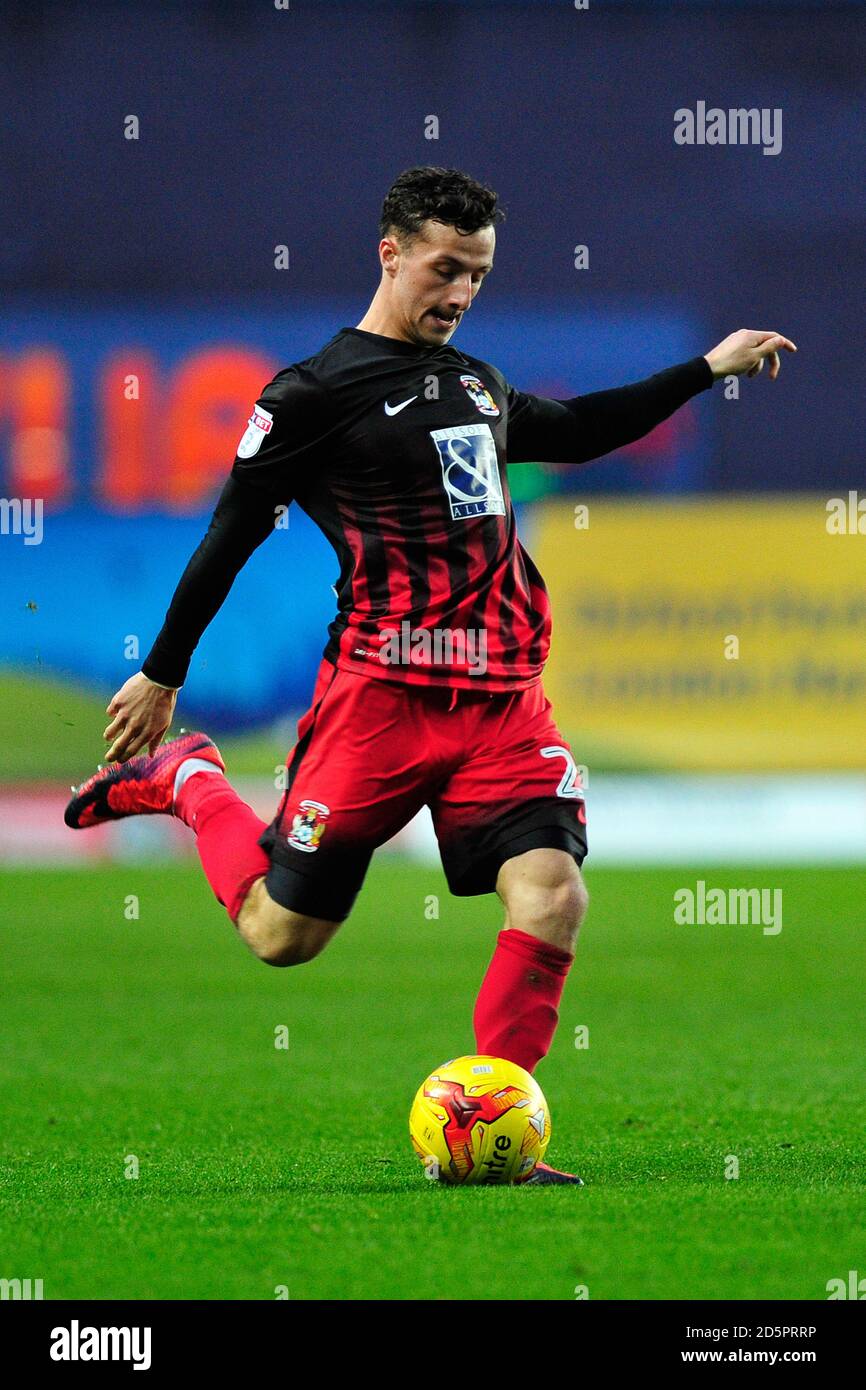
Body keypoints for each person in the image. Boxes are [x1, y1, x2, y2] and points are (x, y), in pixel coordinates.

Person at [65, 166, 795, 1184]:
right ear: (391, 252)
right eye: (444, 268)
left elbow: (581, 430)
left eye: (478, 276)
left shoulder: (476, 384)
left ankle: (488, 1125)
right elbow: (231, 531)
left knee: (551, 895)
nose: (458, 292)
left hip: (500, 702)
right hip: (377, 702)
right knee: (281, 935)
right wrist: (161, 672)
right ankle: (192, 782)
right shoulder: (309, 397)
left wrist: (704, 367)